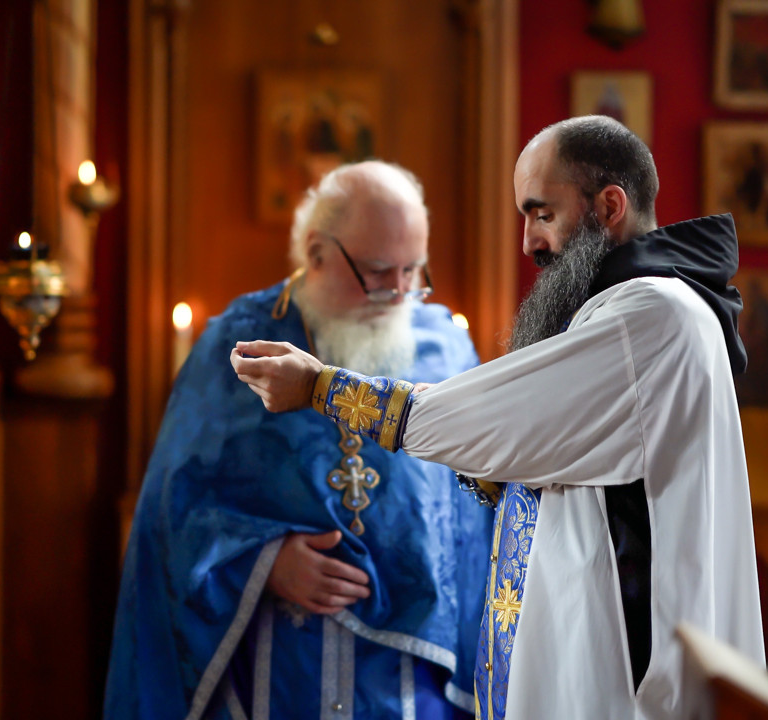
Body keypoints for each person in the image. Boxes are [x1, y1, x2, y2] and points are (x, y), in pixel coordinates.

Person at [231, 116, 765, 719]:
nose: (529, 242)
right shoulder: (643, 308)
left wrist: (320, 386)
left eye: (543, 213)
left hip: (620, 683)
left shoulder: (649, 313)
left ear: (610, 206)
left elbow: (493, 423)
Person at [105, 160, 493, 719]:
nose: (399, 293)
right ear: (316, 252)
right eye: (379, 271)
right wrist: (263, 562)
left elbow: (472, 522)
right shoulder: (240, 343)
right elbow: (175, 511)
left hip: (408, 680)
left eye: (413, 270)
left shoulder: (447, 351)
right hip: (277, 662)